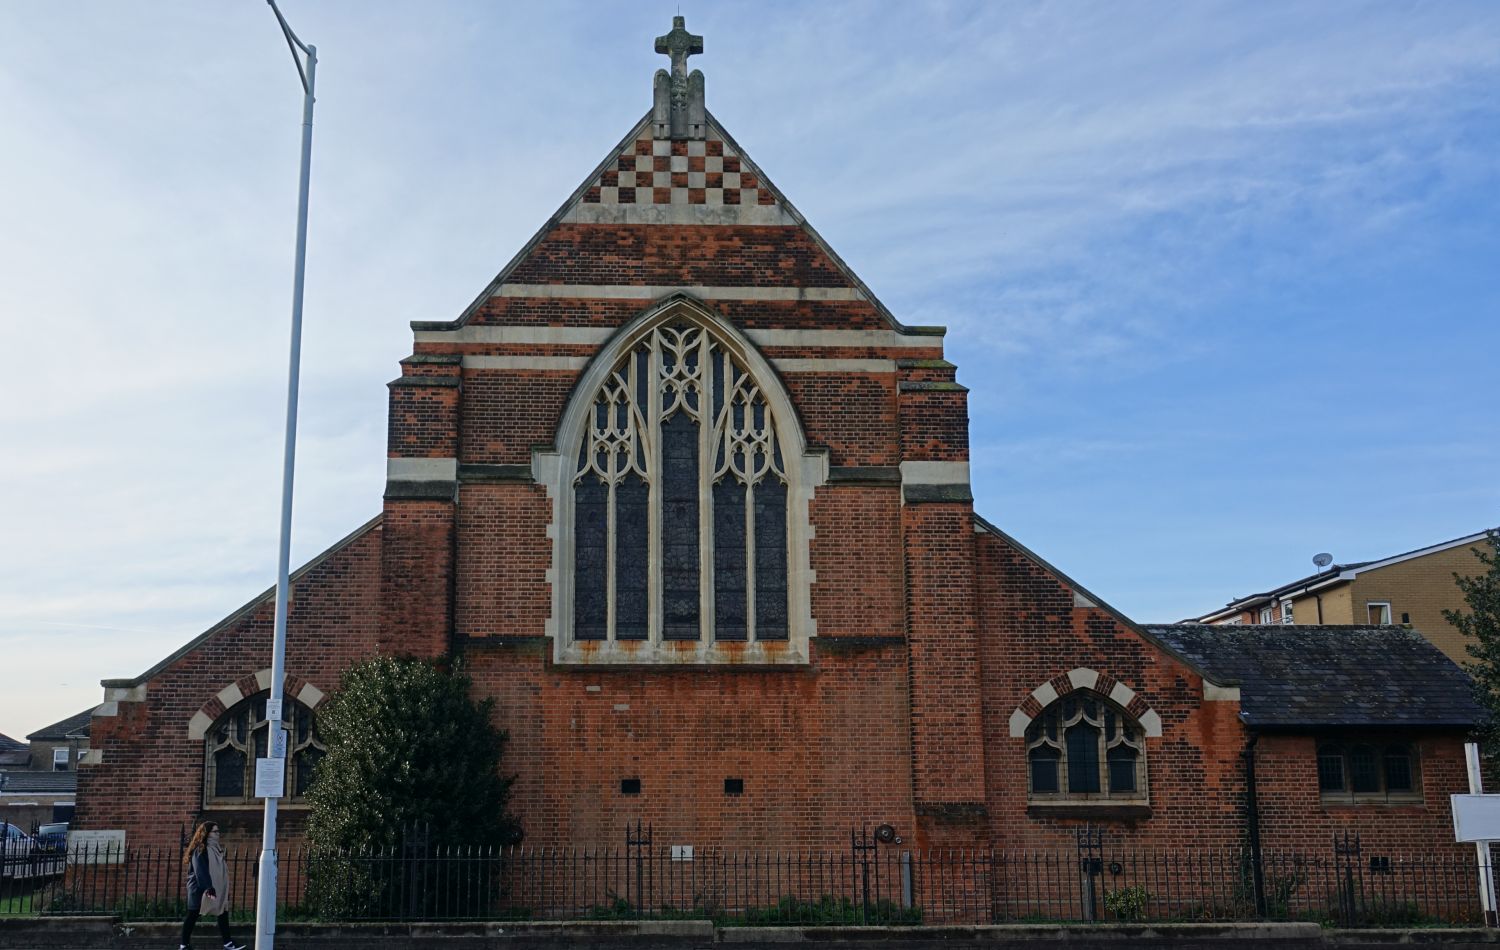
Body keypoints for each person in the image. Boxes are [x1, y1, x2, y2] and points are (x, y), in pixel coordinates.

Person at [180, 822, 246, 950]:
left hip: (215, 888)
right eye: (215, 832)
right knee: (193, 915)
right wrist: (208, 887)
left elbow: (220, 870)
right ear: (207, 834)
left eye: (218, 831)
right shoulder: (201, 850)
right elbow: (201, 870)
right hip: (199, 889)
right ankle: (184, 945)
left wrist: (222, 887)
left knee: (222, 912)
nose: (218, 834)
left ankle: (228, 943)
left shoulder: (216, 850)